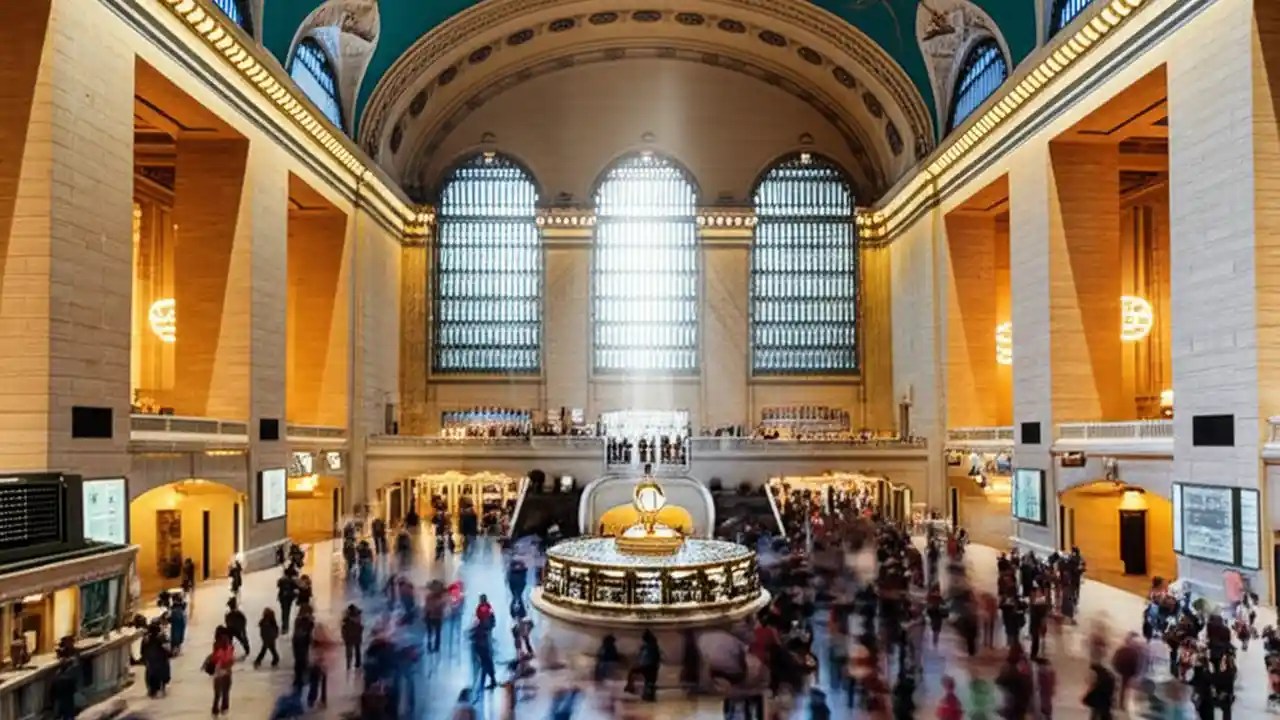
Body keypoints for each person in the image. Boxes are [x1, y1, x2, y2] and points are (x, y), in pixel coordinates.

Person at [208, 627, 236, 716]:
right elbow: (230, 660)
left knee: (218, 693)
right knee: (225, 692)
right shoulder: (229, 647)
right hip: (225, 672)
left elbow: (215, 659)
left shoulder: (216, 646)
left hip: (219, 672)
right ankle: (223, 708)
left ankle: (216, 709)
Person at [341, 604, 364, 670]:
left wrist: (344, 636)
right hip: (354, 636)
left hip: (351, 637)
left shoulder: (347, 619)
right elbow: (361, 627)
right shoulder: (357, 617)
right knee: (356, 651)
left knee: (350, 651)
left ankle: (350, 665)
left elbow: (343, 628)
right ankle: (356, 664)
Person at [277, 570, 298, 635]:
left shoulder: (281, 580)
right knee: (286, 613)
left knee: (284, 612)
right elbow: (296, 588)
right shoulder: (291, 581)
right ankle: (285, 627)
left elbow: (278, 585)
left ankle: (285, 627)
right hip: (288, 599)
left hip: (283, 599)